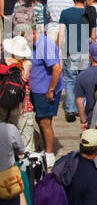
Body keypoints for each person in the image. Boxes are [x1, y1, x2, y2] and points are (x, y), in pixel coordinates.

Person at [29, 26, 62, 165]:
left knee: (45, 122)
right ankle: (44, 148)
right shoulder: (33, 44)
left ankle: (49, 154)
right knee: (40, 120)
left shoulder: (45, 45)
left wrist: (51, 90)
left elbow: (56, 68)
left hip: (45, 90)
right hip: (37, 89)